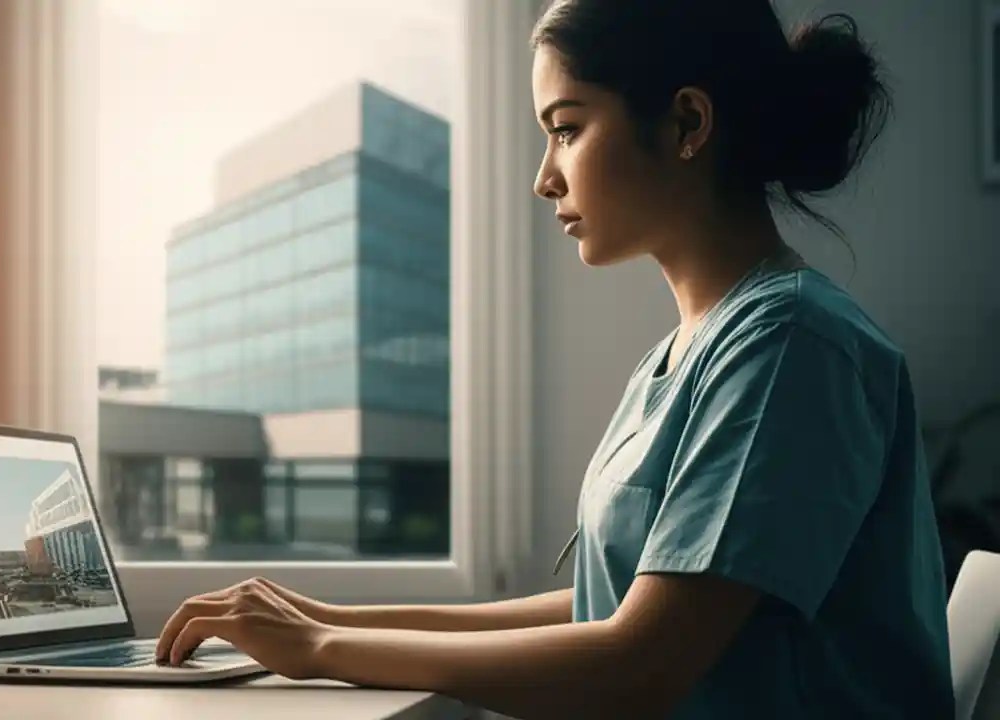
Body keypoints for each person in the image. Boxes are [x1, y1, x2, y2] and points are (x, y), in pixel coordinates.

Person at [154, 1, 955, 717]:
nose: (545, 178)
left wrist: (322, 651)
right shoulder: (683, 355)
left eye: (566, 128)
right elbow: (600, 608)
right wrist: (328, 619)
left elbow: (638, 663)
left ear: (686, 124)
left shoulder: (791, 345)